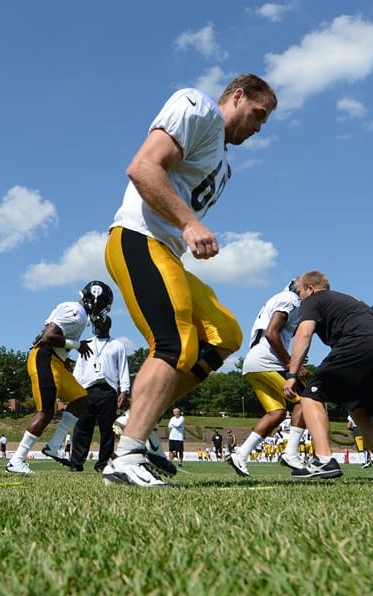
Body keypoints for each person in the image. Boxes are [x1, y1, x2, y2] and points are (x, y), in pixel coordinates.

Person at [102, 73, 277, 488]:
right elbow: (142, 167)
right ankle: (124, 458)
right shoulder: (197, 108)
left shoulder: (224, 164)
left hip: (168, 254)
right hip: (138, 238)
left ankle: (136, 417)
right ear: (237, 96)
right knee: (175, 343)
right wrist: (189, 222)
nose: (258, 129)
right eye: (258, 115)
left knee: (225, 334)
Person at [282, 271, 373, 480]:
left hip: (357, 344)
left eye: (299, 292)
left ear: (310, 288)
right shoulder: (350, 300)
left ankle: (324, 459)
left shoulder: (314, 299)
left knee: (310, 397)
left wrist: (292, 373)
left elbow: (304, 333)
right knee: (361, 411)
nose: (298, 297)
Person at [5, 281, 111, 475]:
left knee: (81, 399)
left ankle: (54, 445)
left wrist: (65, 356)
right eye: (102, 304)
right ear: (94, 300)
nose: (102, 310)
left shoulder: (75, 311)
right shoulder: (76, 312)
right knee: (46, 411)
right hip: (44, 358)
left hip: (55, 361)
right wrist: (77, 345)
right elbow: (47, 337)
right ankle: (16, 460)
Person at [229, 280, 305, 478]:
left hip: (254, 361)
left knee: (277, 413)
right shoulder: (291, 299)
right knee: (307, 402)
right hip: (267, 360)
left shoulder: (278, 298)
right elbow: (272, 333)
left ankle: (241, 454)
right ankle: (291, 453)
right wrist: (290, 363)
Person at [68, 314, 130, 472]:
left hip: (108, 389)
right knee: (82, 427)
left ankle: (103, 463)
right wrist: (74, 390)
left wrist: (124, 390)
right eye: (95, 325)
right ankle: (76, 463)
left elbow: (123, 369)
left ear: (108, 327)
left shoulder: (117, 345)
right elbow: (79, 367)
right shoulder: (86, 344)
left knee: (107, 429)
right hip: (87, 389)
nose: (97, 328)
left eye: (100, 326)